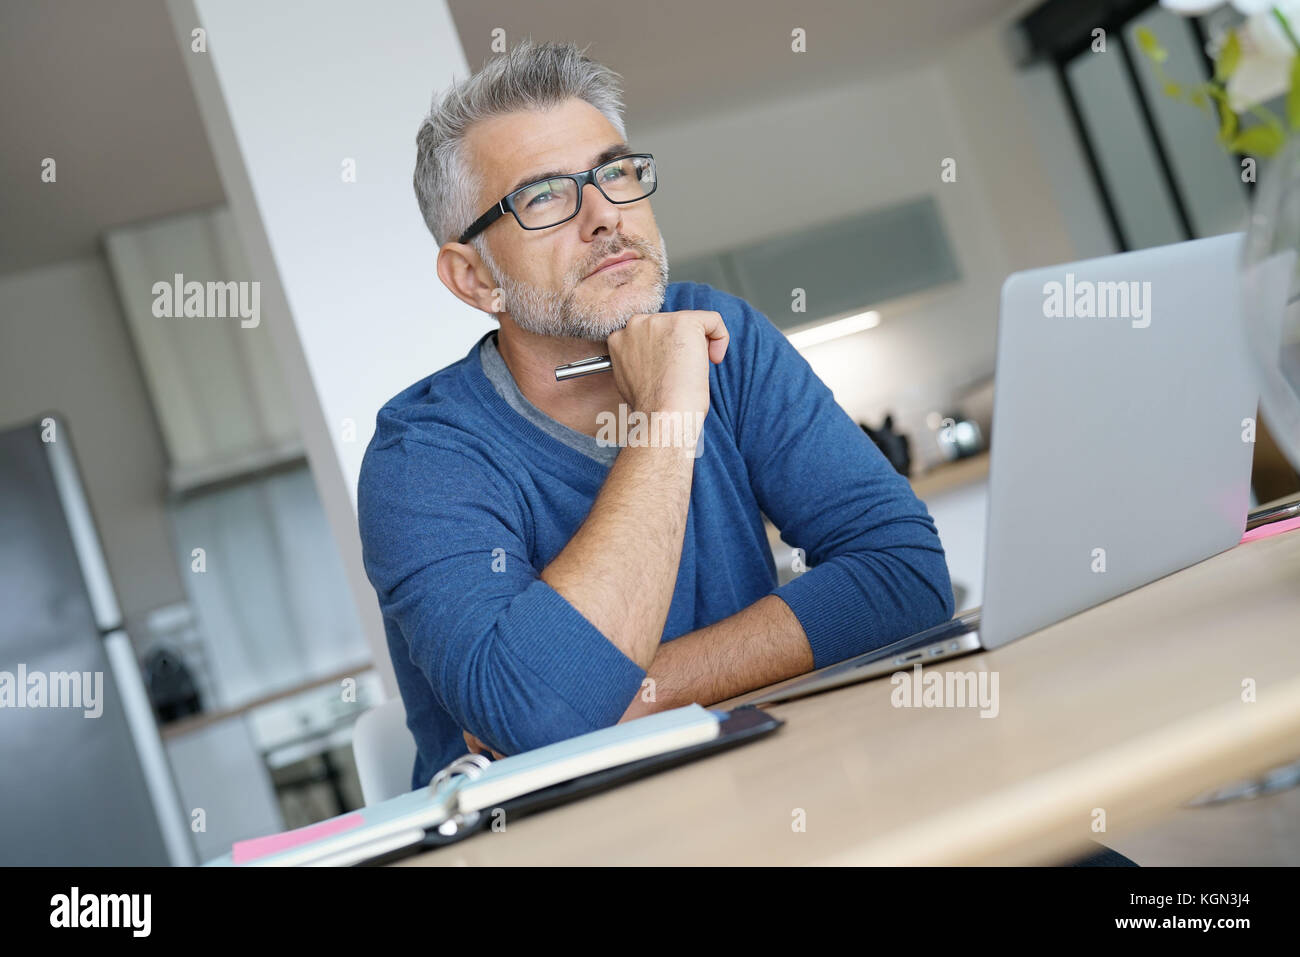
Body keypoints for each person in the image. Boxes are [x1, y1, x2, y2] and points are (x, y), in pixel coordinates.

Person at [356, 39, 955, 792]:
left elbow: (905, 576)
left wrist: (620, 699)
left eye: (615, 172)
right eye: (544, 196)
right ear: (474, 277)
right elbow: (536, 711)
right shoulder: (422, 457)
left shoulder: (718, 328)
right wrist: (667, 417)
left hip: (771, 789)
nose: (606, 216)